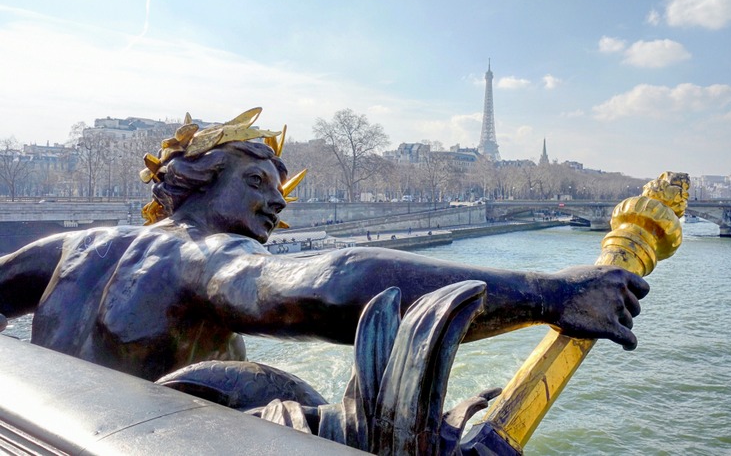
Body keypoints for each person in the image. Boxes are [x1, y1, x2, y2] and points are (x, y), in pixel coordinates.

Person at [0, 109, 648, 383]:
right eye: (257, 180)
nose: (278, 202)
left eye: (280, 190)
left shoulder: (73, 247)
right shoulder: (200, 257)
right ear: (198, 180)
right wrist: (552, 295)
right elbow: (335, 285)